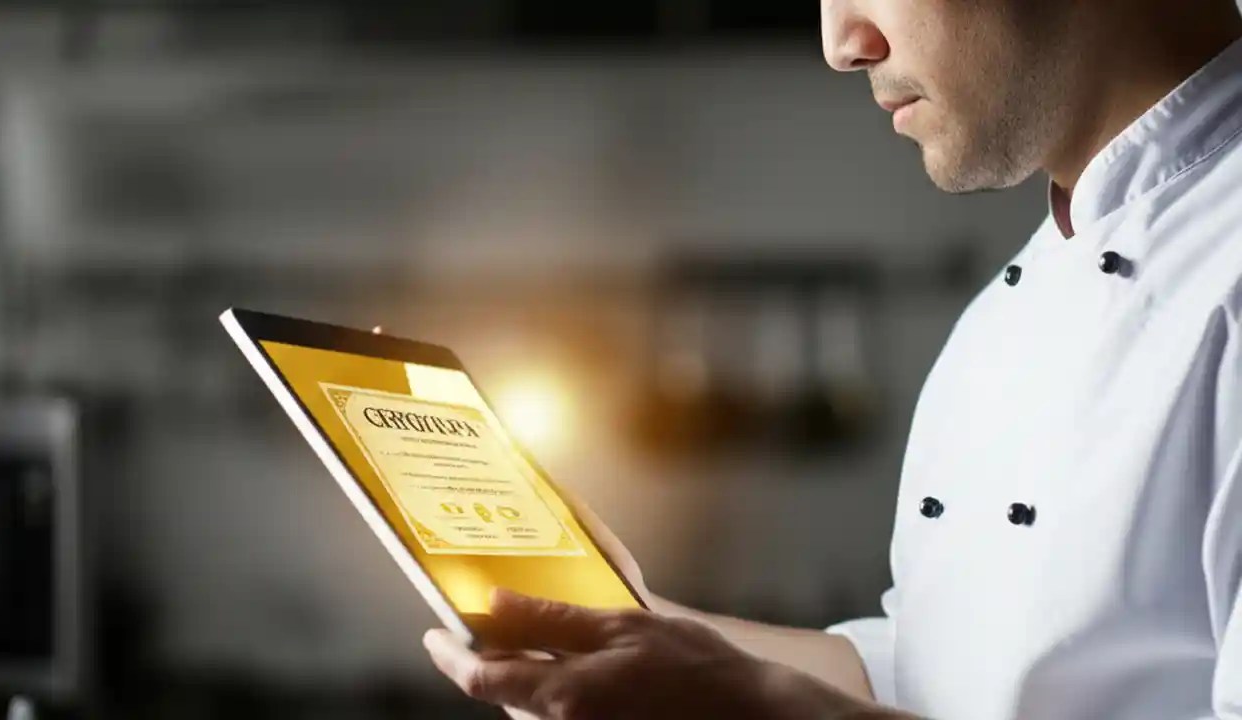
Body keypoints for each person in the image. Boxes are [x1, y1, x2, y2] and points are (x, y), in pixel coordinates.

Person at [424, 0, 1242, 717]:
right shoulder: (1006, 312)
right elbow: (928, 676)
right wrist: (630, 626)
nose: (842, 43)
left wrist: (762, 712)